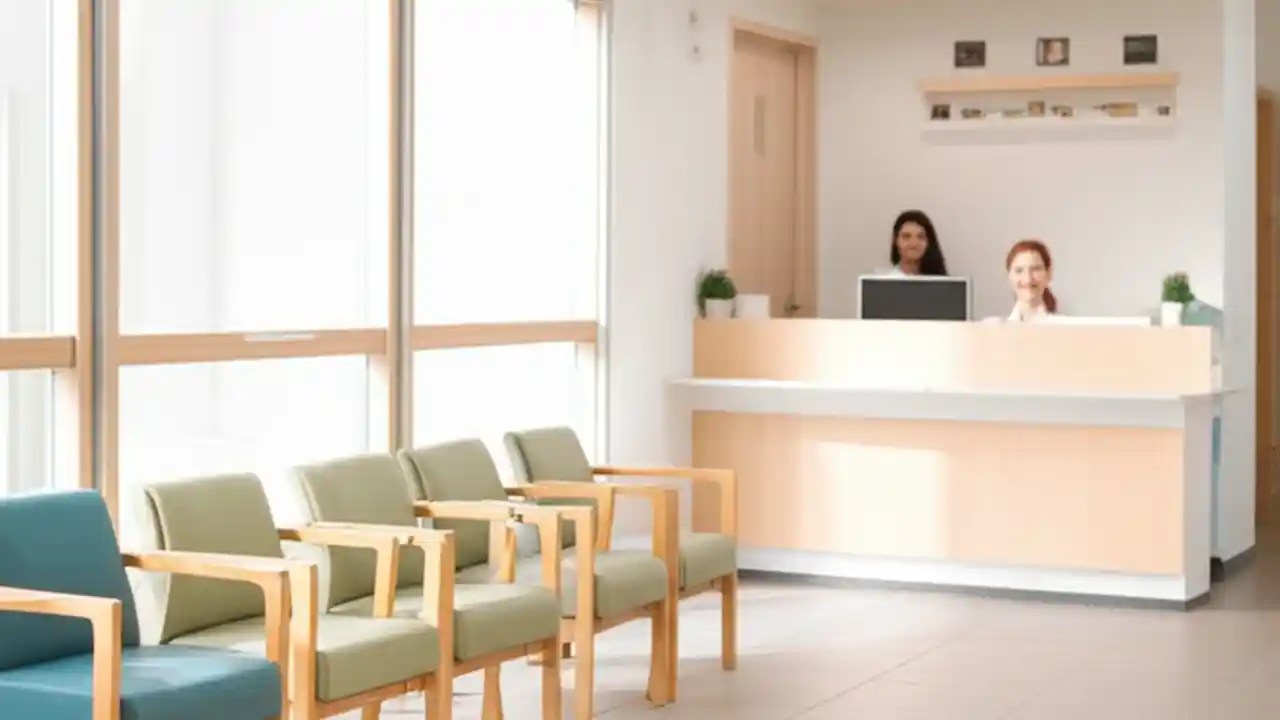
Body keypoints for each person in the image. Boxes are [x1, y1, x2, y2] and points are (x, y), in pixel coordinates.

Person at [1004, 239, 1059, 322]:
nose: (1028, 279)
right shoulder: (992, 330)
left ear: (1048, 274)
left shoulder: (1067, 329)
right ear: (1009, 275)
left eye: (1036, 269)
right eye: (1019, 270)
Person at [887, 210, 949, 276]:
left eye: (920, 237)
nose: (914, 243)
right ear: (895, 240)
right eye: (906, 236)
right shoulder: (886, 283)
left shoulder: (941, 281)